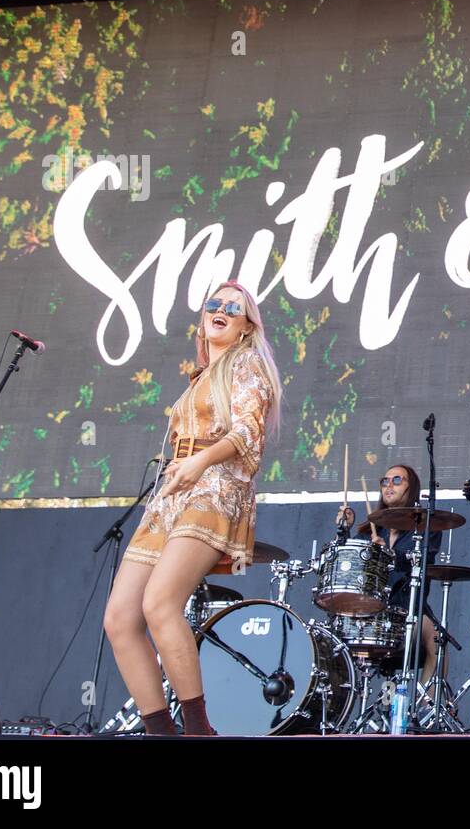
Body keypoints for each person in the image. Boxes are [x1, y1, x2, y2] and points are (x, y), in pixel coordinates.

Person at [103, 280, 282, 736]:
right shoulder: (201, 377)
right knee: (121, 618)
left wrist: (199, 460)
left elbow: (247, 435)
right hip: (173, 497)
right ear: (202, 318)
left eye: (234, 308)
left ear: (246, 327)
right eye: (214, 304)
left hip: (215, 489)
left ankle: (199, 730)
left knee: (161, 604)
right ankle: (160, 731)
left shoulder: (247, 364)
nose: (221, 309)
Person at [335, 464, 442, 683]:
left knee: (436, 639)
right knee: (331, 640)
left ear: (410, 489)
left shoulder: (426, 528)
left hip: (407, 611)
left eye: (396, 480)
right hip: (369, 610)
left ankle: (425, 709)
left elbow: (421, 561)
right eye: (385, 481)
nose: (389, 485)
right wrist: (343, 531)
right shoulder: (368, 532)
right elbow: (350, 569)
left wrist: (388, 554)